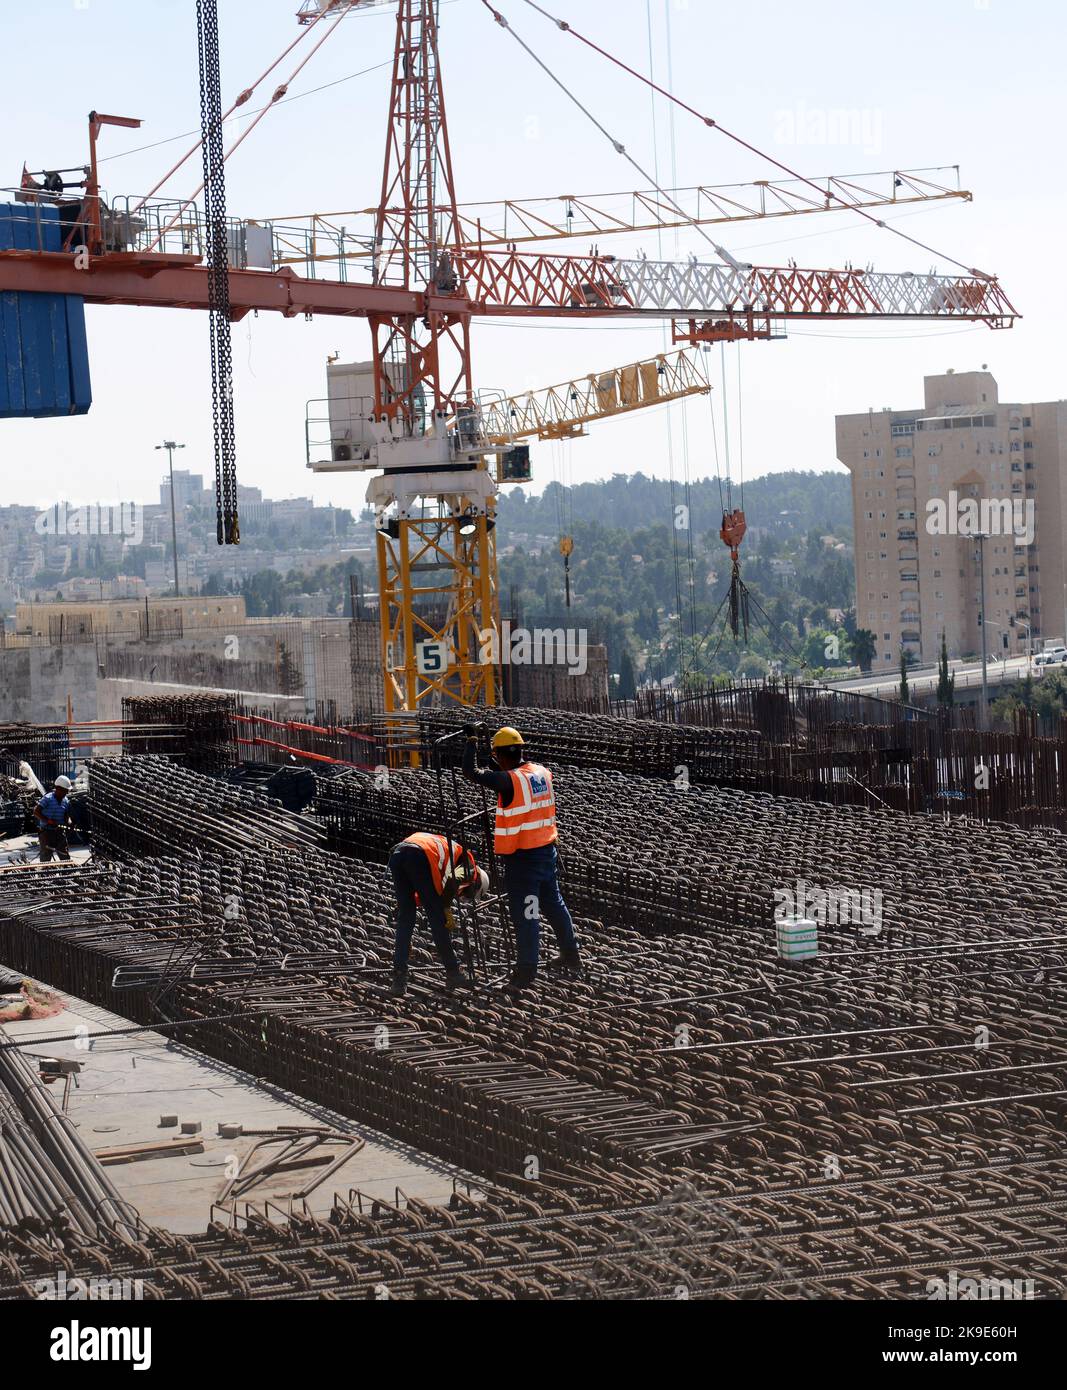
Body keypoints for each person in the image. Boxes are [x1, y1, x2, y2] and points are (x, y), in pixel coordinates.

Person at [462, 724, 581, 994]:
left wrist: (471, 741)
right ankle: (571, 954)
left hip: (523, 860)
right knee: (554, 904)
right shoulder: (541, 772)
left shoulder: (509, 780)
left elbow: (471, 773)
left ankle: (526, 971)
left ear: (499, 756)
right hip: (546, 852)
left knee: (527, 913)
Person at [387, 832, 488, 997]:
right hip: (417, 855)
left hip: (398, 855)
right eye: (467, 895)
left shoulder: (451, 855)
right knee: (437, 919)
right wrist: (446, 911)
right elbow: (451, 884)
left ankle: (398, 980)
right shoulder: (469, 867)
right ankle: (453, 973)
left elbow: (430, 889)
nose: (462, 896)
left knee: (406, 918)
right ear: (476, 885)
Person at [34, 775, 73, 863]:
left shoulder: (66, 801)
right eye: (65, 790)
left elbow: (66, 815)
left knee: (64, 855)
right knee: (45, 857)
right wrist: (48, 820)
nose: (66, 793)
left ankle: (67, 873)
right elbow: (36, 812)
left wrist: (69, 823)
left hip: (59, 832)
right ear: (58, 788)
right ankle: (45, 874)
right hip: (46, 832)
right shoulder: (47, 799)